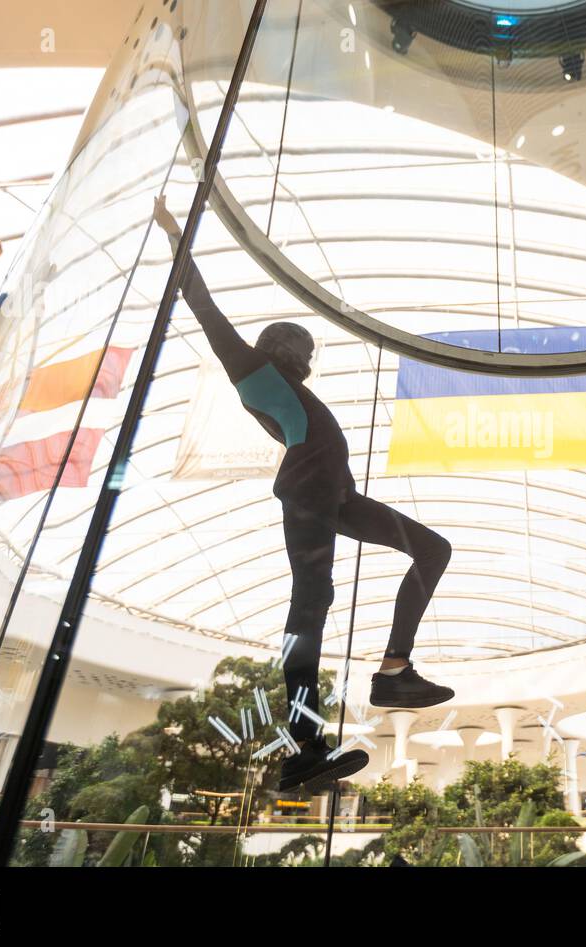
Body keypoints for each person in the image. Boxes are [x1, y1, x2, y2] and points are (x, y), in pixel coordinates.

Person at [152, 197, 455, 792]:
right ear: (282, 347)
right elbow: (202, 304)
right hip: (310, 497)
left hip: (336, 497)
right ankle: (302, 747)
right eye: (305, 348)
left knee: (432, 550)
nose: (310, 359)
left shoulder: (286, 386)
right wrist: (175, 231)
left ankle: (394, 670)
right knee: (310, 606)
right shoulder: (250, 368)